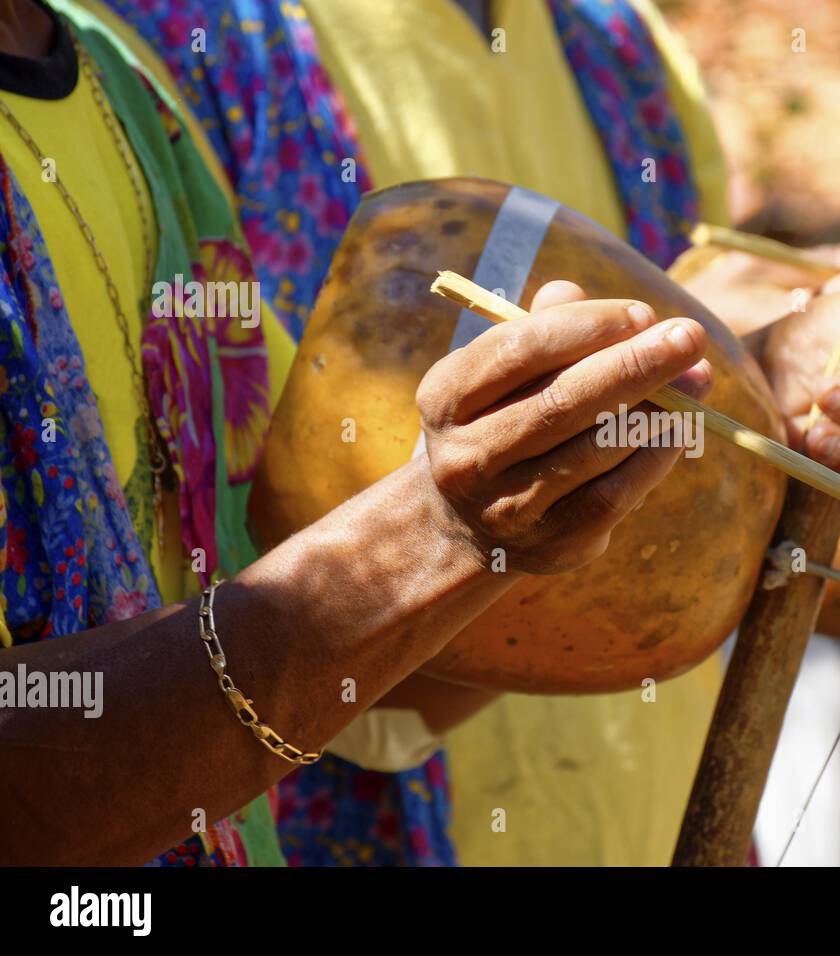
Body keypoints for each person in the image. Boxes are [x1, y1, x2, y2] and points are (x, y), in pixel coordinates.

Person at [87, 0, 840, 866]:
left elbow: (752, 550)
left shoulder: (623, 56)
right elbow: (231, 639)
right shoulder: (152, 57)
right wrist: (740, 398)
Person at [0, 0, 721, 865]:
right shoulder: (182, 40)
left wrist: (559, 491)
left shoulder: (123, 89)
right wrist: (437, 526)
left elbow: (356, 694)